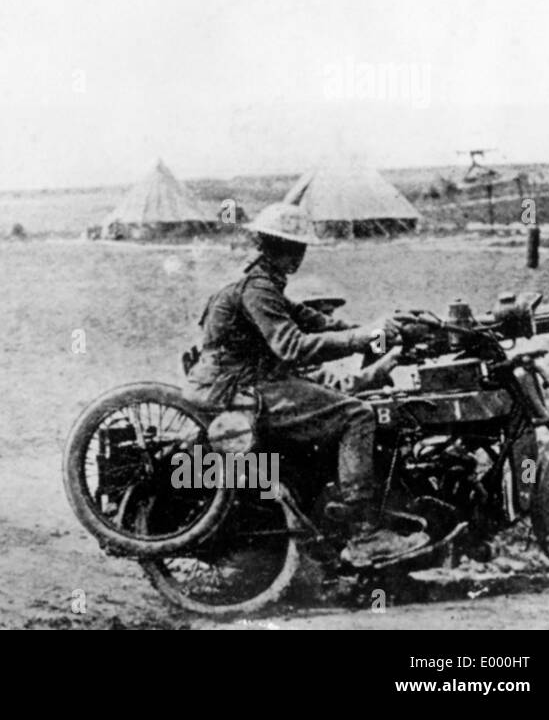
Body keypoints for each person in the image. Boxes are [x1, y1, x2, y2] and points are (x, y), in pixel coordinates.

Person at [183, 202, 427, 567]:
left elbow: (318, 323)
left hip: (241, 387)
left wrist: (381, 330)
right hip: (241, 393)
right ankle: (364, 534)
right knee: (356, 414)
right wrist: (366, 338)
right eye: (294, 247)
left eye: (299, 248)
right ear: (277, 247)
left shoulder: (262, 285)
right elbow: (292, 346)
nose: (298, 256)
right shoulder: (258, 289)